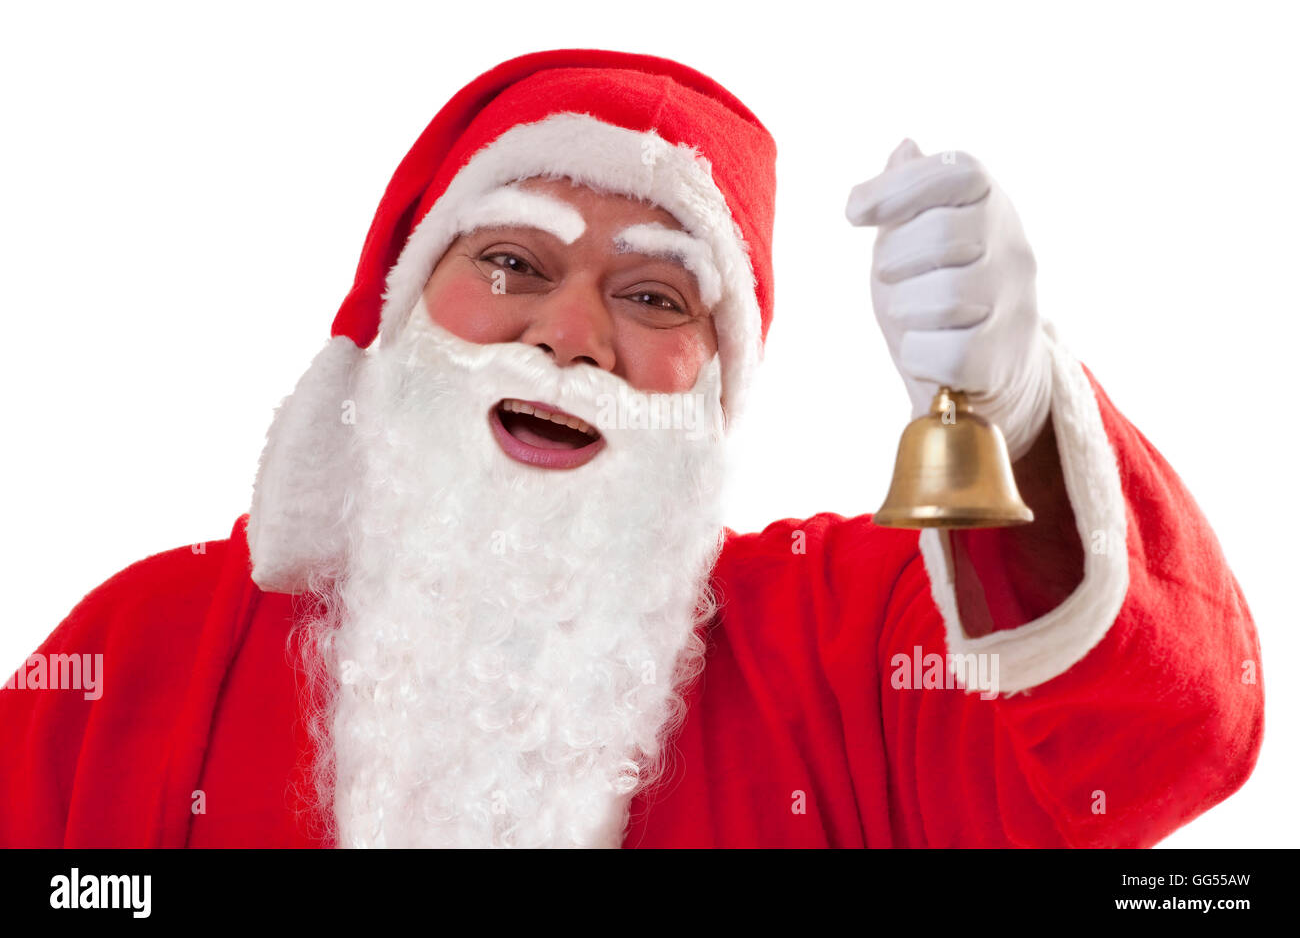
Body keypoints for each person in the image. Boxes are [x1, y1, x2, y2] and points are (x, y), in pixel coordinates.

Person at [0, 48, 1263, 848]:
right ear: (394, 312)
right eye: (512, 261)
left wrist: (1019, 409)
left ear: (717, 385)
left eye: (657, 296)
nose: (571, 337)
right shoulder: (142, 654)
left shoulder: (836, 652)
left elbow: (1162, 744)